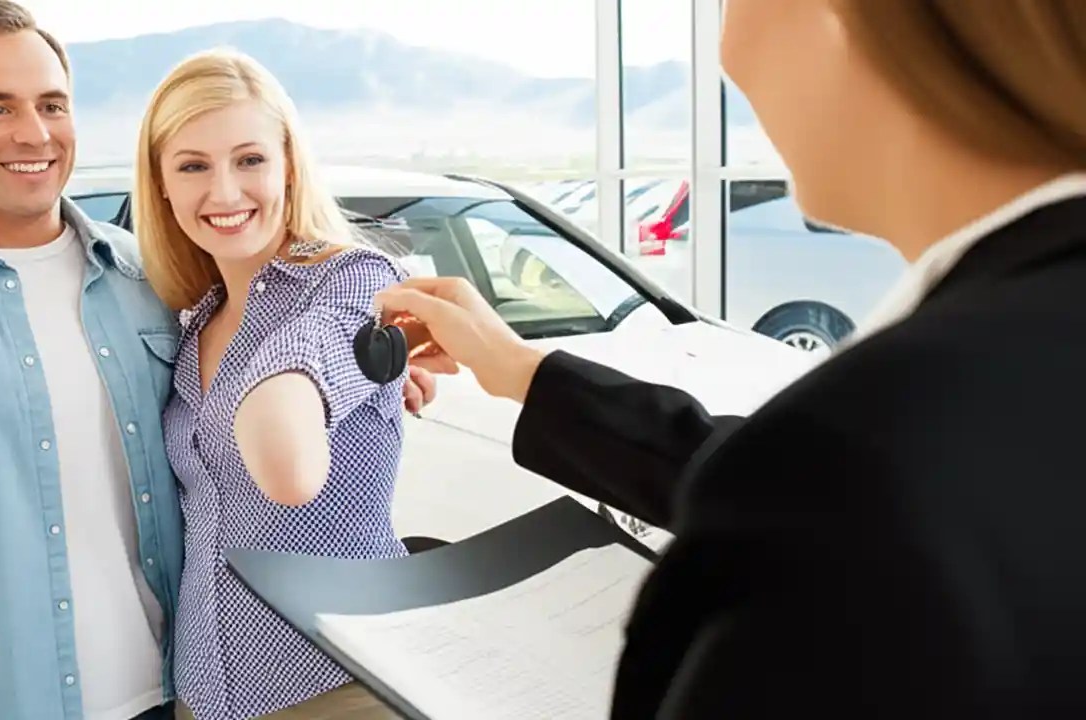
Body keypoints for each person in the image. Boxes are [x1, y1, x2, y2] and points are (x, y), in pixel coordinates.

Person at [373, 0, 1086, 717]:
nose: (726, 53)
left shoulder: (874, 439)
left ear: (844, 18)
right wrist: (524, 372)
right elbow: (770, 470)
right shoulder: (1006, 372)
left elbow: (818, 489)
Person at [0, 3, 431, 720]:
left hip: (177, 688)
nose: (33, 132)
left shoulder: (153, 284)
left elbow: (262, 410)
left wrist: (370, 373)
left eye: (51, 104)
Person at [132, 48, 412, 720]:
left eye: (250, 160)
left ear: (289, 163)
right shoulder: (192, 323)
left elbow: (304, 374)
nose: (224, 192)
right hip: (202, 687)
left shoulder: (355, 282)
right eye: (193, 166)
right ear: (162, 185)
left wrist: (283, 400)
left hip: (339, 685)